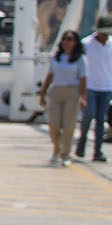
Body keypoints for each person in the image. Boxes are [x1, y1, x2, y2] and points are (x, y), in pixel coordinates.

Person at [78, 15, 112, 161]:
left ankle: (97, 151)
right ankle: (82, 141)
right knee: (88, 116)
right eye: (103, 33)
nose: (105, 36)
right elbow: (79, 67)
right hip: (90, 87)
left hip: (106, 87)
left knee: (100, 120)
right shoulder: (86, 44)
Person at [40, 30, 88, 166]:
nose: (66, 42)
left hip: (72, 93)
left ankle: (66, 154)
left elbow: (83, 79)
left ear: (76, 42)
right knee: (54, 124)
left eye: (70, 39)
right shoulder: (56, 58)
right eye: (65, 39)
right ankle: (56, 149)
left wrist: (84, 97)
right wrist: (43, 93)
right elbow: (50, 76)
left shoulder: (80, 59)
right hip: (56, 92)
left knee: (68, 126)